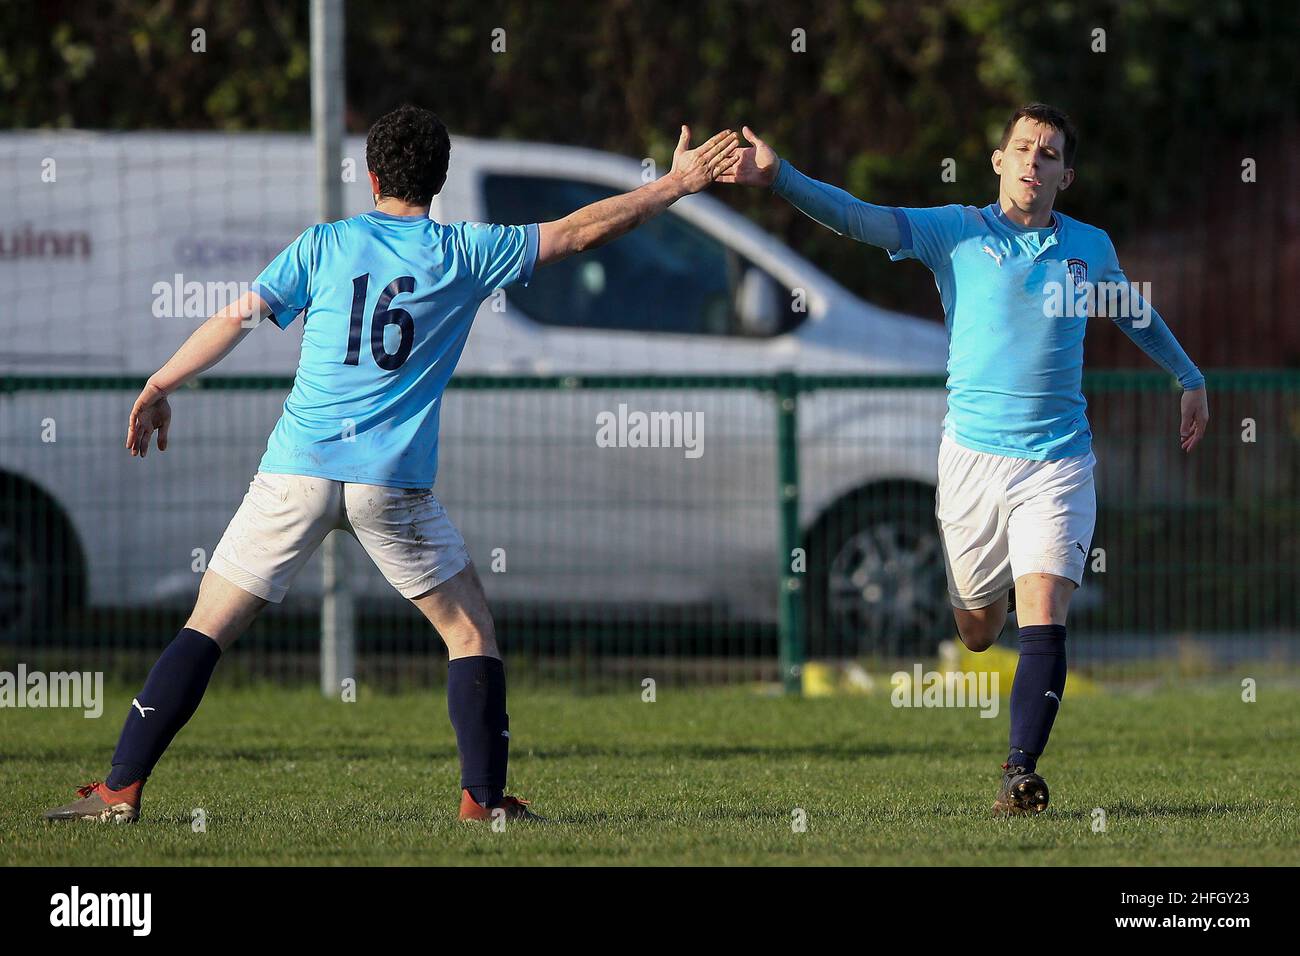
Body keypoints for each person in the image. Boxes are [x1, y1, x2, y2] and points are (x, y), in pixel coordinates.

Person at [44, 105, 738, 824]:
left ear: (371, 175)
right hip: (389, 484)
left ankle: (120, 789)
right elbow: (581, 230)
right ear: (438, 180)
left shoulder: (324, 244)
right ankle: (483, 801)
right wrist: (674, 185)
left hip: (296, 472)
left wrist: (161, 383)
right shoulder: (466, 251)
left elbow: (236, 317)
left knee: (207, 627)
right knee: (469, 635)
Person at [719, 103, 1209, 814]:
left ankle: (1020, 769)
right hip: (973, 463)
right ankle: (988, 601)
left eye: (1047, 154)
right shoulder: (955, 232)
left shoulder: (1088, 248)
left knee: (1045, 613)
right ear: (999, 162)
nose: (1033, 162)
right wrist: (780, 178)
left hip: (1058, 462)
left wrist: (1189, 377)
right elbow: (862, 218)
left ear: (1064, 175)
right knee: (978, 632)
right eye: (1022, 149)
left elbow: (1136, 315)